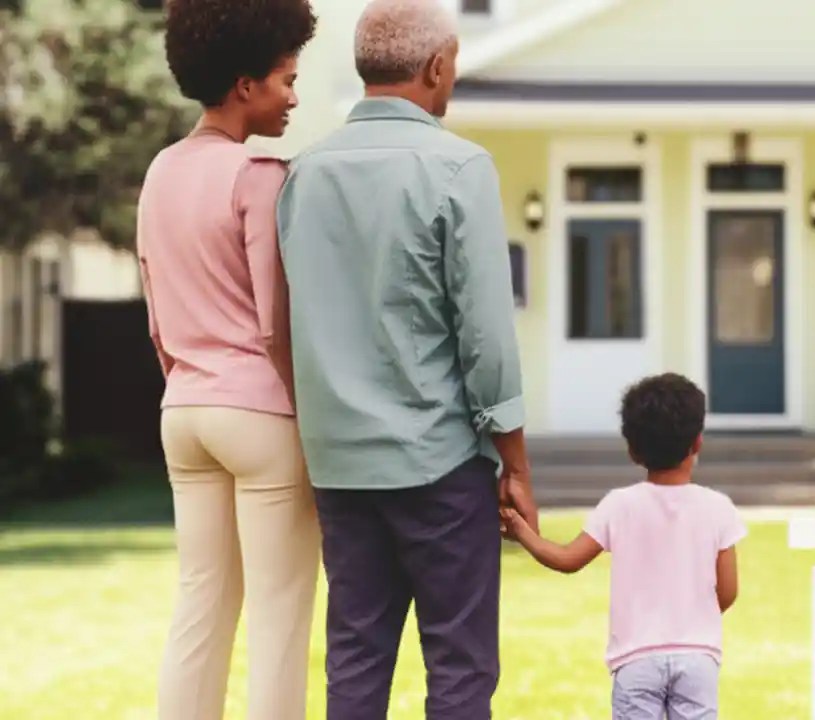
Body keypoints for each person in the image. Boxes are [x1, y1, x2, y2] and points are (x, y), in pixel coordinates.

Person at [274, 0, 538, 717]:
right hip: (438, 465)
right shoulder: (458, 167)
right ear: (436, 66)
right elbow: (485, 333)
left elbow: (289, 320)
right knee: (458, 665)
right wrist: (513, 461)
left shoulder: (304, 174)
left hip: (339, 469)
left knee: (356, 662)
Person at [136, 1, 320, 719]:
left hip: (182, 411)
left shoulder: (158, 172)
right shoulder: (259, 175)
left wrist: (189, 388)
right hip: (258, 412)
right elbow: (276, 323)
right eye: (285, 80)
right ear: (246, 85)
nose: (294, 97)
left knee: (200, 606)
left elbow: (156, 318)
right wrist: (305, 414)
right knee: (279, 619)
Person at [503, 373, 747, 720]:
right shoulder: (719, 507)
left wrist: (521, 530)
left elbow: (567, 559)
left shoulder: (619, 505)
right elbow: (728, 591)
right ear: (698, 443)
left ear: (633, 450)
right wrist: (693, 614)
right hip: (697, 659)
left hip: (636, 661)